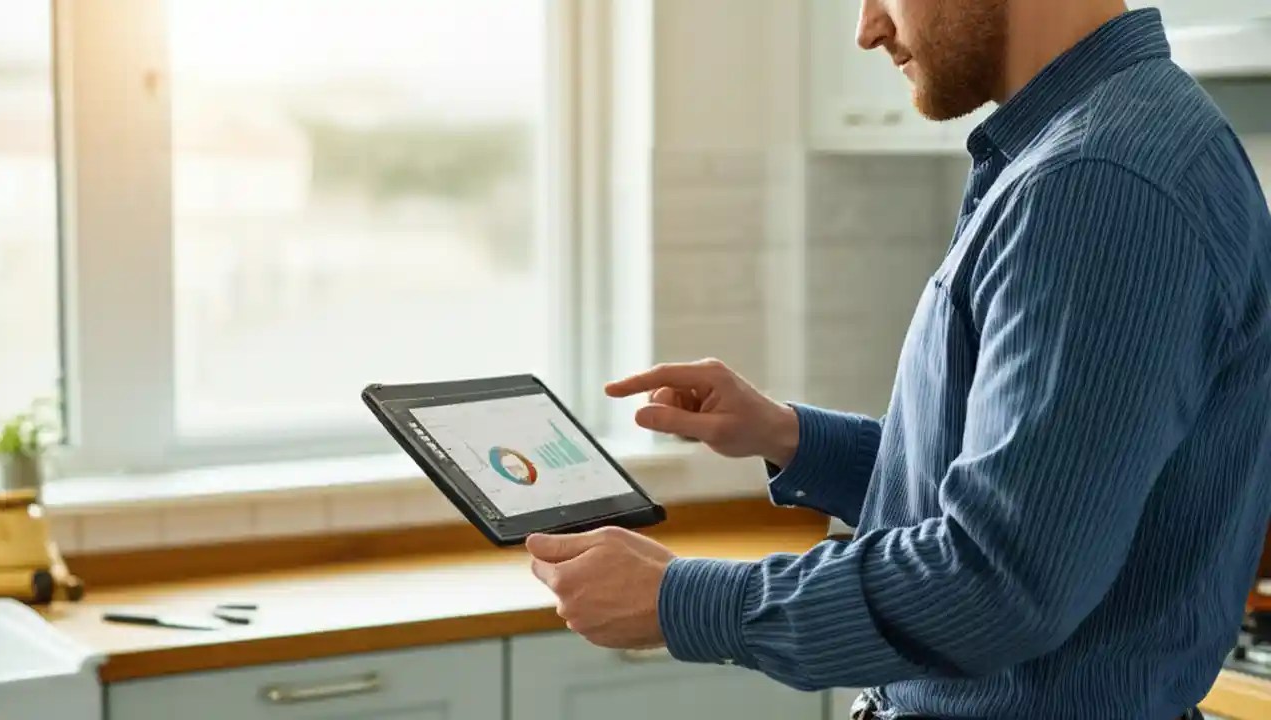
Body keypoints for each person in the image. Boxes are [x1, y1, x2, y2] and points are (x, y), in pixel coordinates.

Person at [524, 0, 1271, 717]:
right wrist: (791, 435)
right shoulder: (1105, 143)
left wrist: (679, 600)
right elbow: (1039, 490)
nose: (866, 28)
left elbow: (998, 583)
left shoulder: (1097, 183)